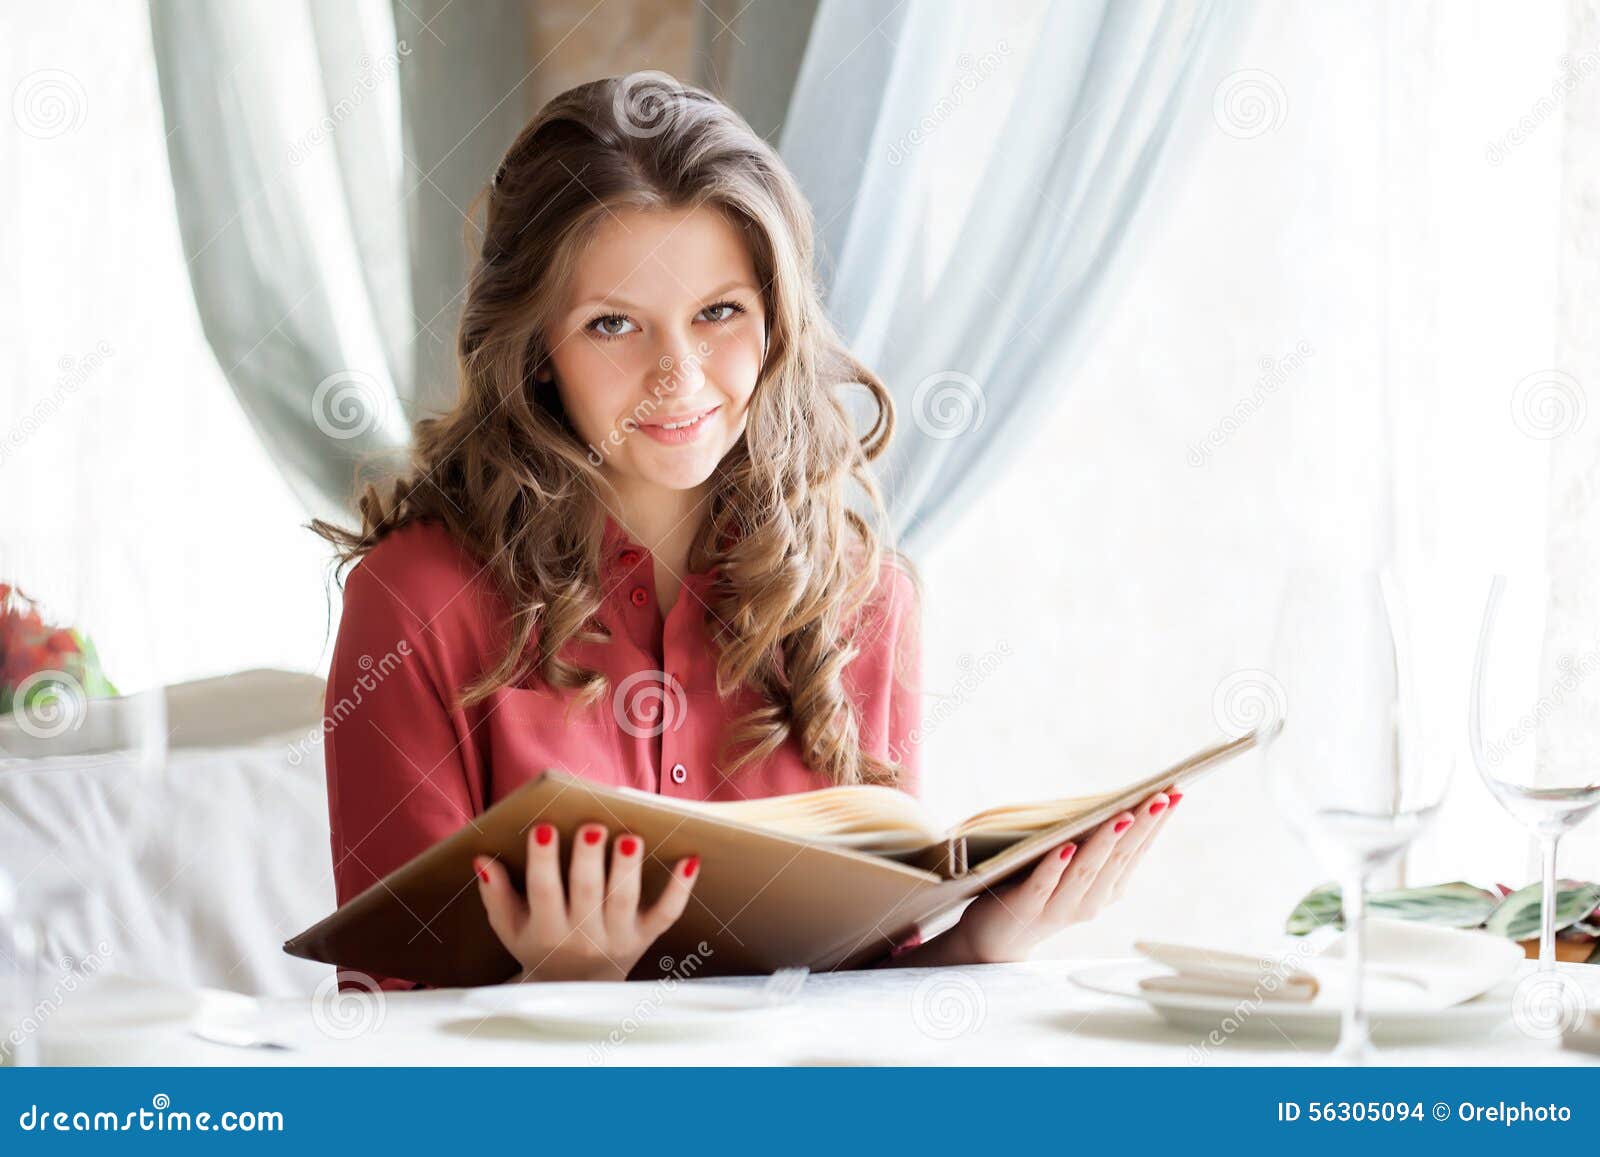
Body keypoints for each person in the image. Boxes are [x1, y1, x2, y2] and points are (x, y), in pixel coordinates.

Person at [311, 74, 1176, 990]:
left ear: (775, 321)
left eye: (718, 313)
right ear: (535, 350)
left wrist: (984, 941)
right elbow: (379, 1032)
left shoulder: (864, 596)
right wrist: (561, 988)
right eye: (613, 325)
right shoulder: (415, 605)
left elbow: (863, 987)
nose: (677, 377)